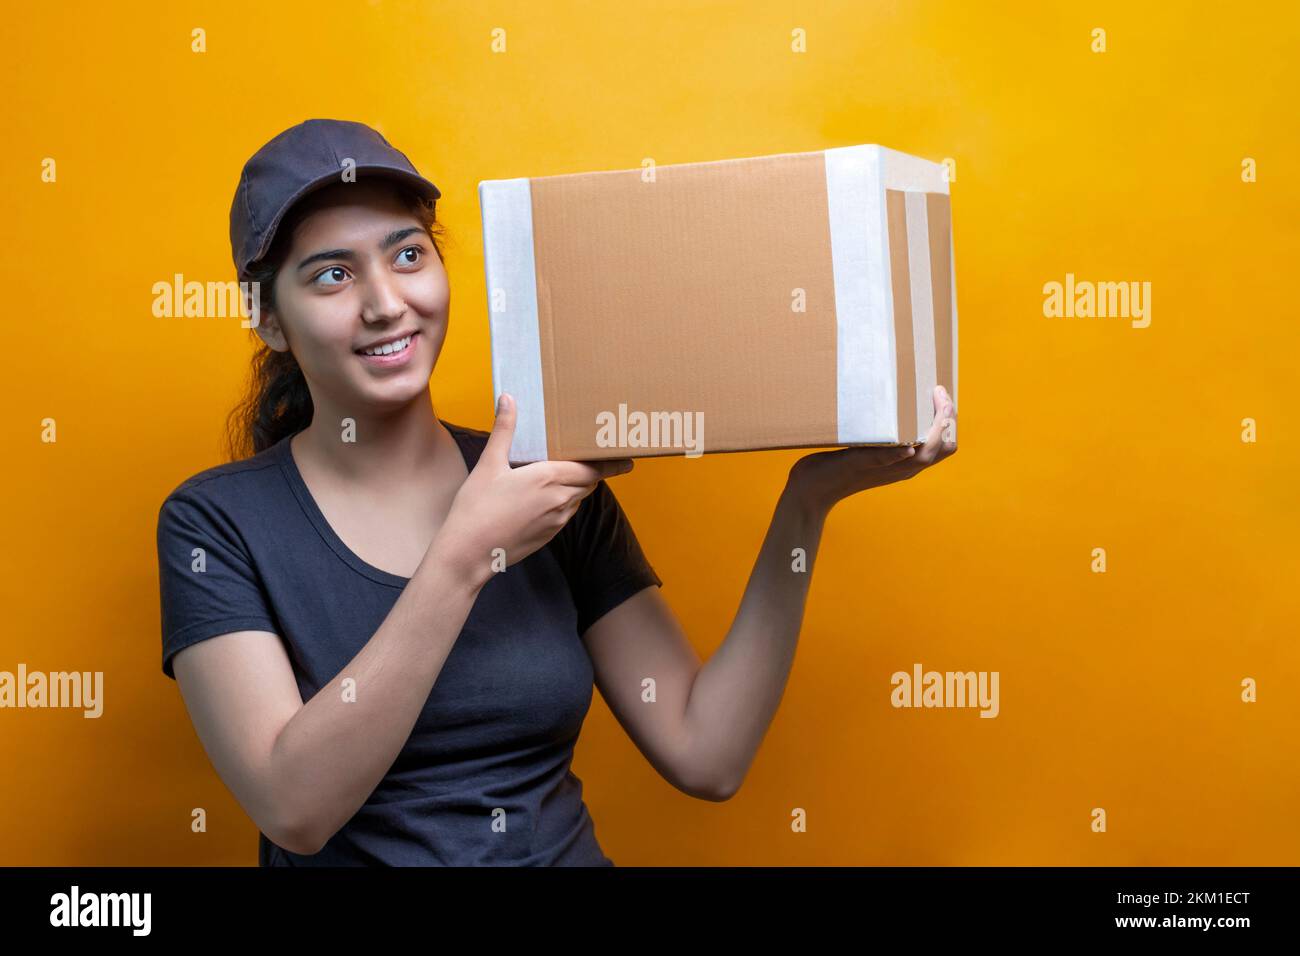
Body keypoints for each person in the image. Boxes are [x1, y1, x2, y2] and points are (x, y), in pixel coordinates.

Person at [155, 118, 958, 866]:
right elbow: (294, 809)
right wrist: (467, 554)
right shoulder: (215, 524)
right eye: (332, 275)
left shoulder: (548, 484)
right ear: (267, 319)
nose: (386, 304)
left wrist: (808, 502)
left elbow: (705, 752)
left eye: (408, 256)